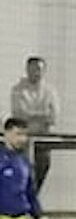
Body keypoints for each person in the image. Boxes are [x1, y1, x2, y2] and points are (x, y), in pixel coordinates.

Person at [9, 57, 57, 198]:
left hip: (43, 136)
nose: (35, 72)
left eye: (39, 69)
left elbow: (53, 115)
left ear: (44, 71)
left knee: (43, 166)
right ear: (27, 69)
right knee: (23, 169)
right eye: (32, 69)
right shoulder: (18, 89)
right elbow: (19, 114)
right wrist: (41, 116)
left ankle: (31, 199)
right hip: (23, 137)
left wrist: (32, 116)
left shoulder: (50, 91)